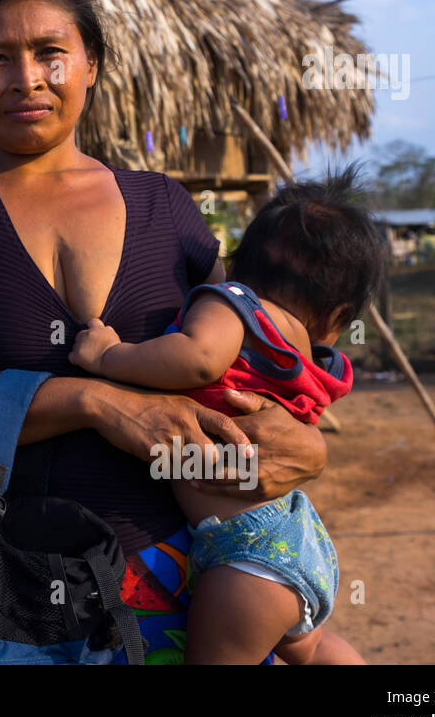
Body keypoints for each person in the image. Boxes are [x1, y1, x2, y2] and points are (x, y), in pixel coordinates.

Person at [0, 0, 361, 664]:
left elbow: (242, 365)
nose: (27, 79)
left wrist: (307, 444)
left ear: (92, 62)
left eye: (51, 53)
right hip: (25, 595)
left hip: (192, 585)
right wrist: (96, 402)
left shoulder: (166, 206)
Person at [70, 167, 385, 662]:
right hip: (292, 539)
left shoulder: (233, 305)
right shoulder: (300, 355)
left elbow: (198, 358)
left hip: (245, 556)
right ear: (337, 317)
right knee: (314, 648)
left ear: (235, 268)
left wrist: (108, 357)